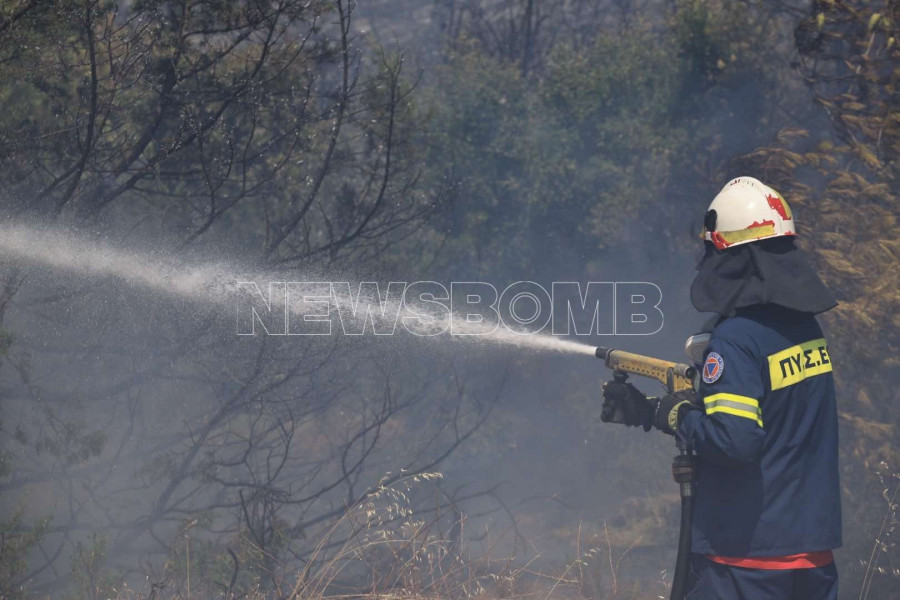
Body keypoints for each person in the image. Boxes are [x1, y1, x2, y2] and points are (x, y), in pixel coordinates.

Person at [600, 176, 841, 599]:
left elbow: (735, 441)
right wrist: (653, 411)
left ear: (727, 255)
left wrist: (680, 416)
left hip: (745, 560)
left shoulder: (735, 339)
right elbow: (775, 417)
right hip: (811, 554)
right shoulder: (805, 330)